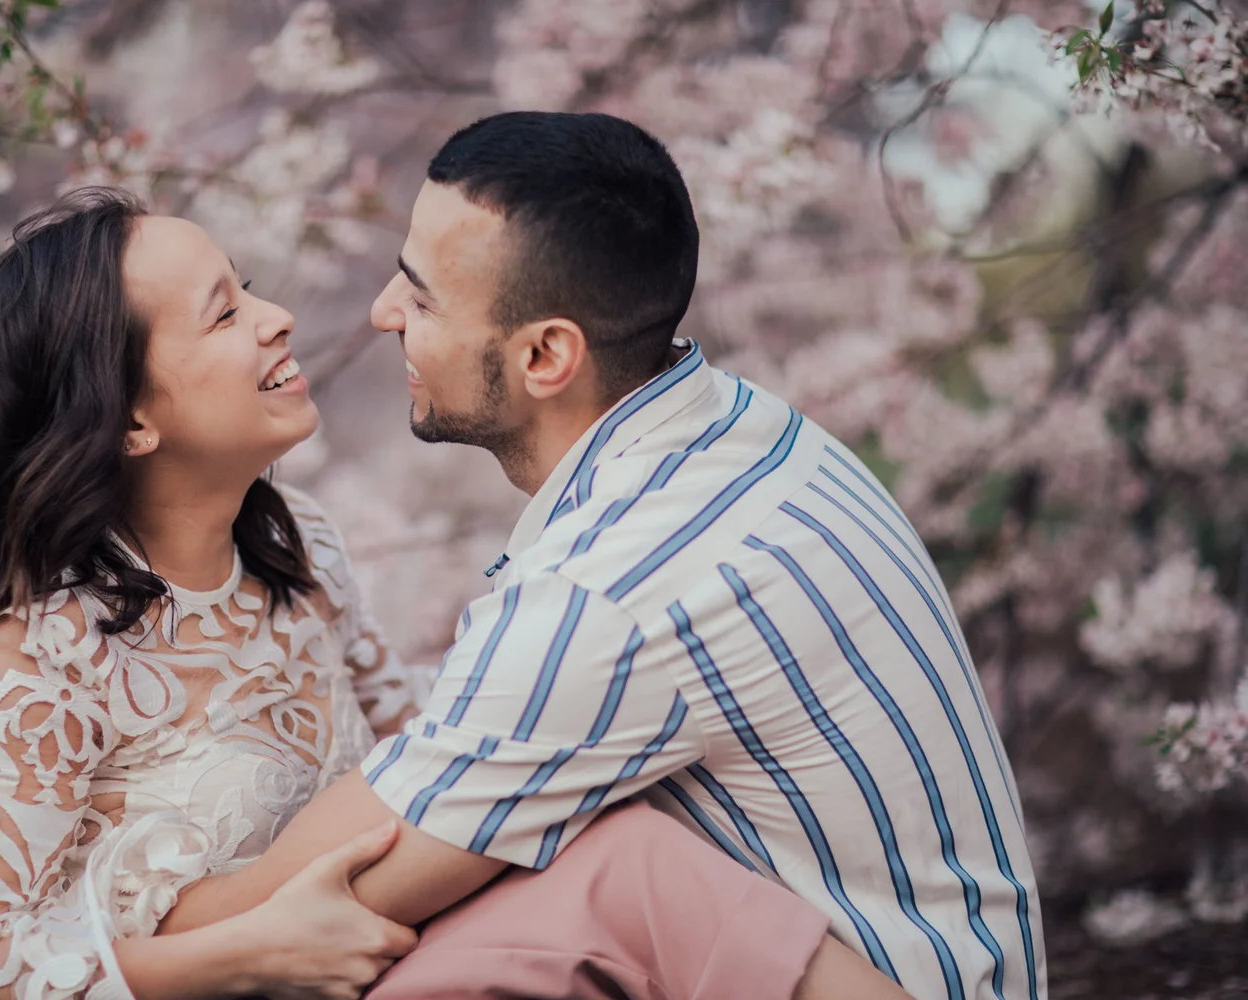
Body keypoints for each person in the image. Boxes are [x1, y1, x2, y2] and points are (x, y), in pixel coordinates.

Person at [0, 180, 909, 1000]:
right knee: (630, 871)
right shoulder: (40, 656)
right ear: (131, 417)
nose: (279, 315)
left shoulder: (305, 560)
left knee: (625, 855)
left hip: (371, 964)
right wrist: (250, 950)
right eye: (226, 312)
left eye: (251, 288)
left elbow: (417, 757)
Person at [149, 112, 1048, 1000]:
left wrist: (131, 940)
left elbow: (346, 889)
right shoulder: (741, 424)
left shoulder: (609, 591)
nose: (383, 313)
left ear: (546, 355)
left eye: (420, 297)